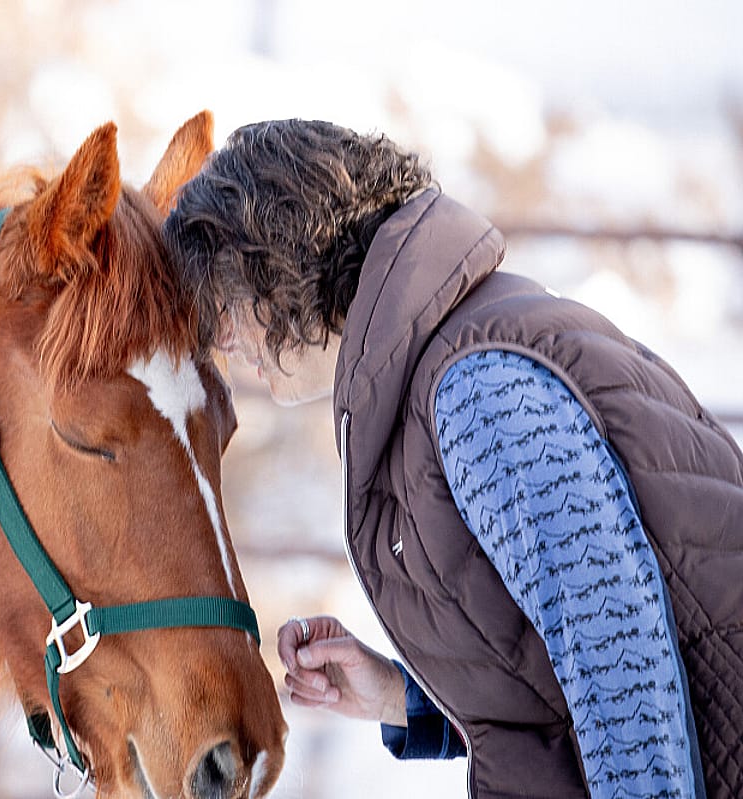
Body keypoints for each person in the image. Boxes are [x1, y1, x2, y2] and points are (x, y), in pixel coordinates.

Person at [163, 118, 743, 799]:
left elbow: (622, 672)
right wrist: (399, 694)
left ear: (281, 259)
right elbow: (554, 685)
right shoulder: (431, 377)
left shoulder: (477, 389)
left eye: (223, 307)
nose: (224, 343)